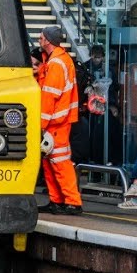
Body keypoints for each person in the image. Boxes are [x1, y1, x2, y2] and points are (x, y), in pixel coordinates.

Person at [38, 25, 82, 215]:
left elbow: (49, 96)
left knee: (60, 162)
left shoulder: (56, 64)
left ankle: (72, 201)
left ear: (47, 40)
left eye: (41, 37)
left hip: (56, 121)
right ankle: (57, 200)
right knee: (50, 161)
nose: (39, 40)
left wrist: (40, 124)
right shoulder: (60, 60)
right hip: (59, 120)